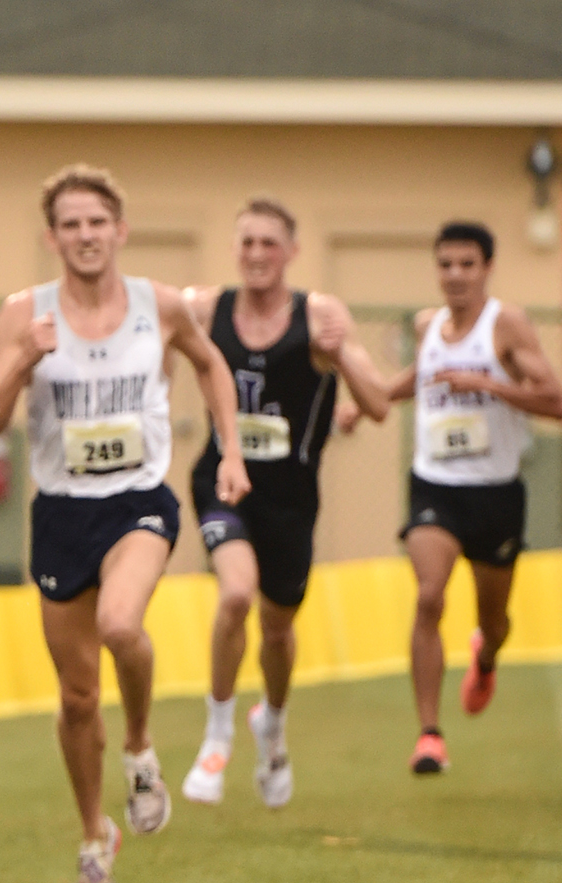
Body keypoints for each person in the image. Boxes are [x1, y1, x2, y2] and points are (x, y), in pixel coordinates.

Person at [0, 164, 249, 883]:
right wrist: (18, 359)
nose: (86, 235)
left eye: (97, 222)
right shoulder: (22, 314)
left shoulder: (158, 305)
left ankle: (137, 748)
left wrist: (229, 450)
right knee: (73, 698)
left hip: (138, 499)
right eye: (70, 224)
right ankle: (95, 836)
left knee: (120, 624)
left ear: (119, 231)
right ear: (52, 237)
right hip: (61, 511)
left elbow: (212, 365)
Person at [175, 198, 390, 809]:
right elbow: (145, 321)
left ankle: (271, 723)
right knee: (236, 593)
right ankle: (217, 736)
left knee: (276, 629)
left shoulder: (318, 312)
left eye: (269, 243)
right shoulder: (205, 307)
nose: (256, 254)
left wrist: (342, 351)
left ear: (292, 252)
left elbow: (376, 405)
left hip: (292, 498)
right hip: (223, 481)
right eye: (247, 243)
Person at [387, 222, 562, 774]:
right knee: (429, 595)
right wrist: (370, 400)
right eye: (446, 264)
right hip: (435, 485)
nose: (455, 275)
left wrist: (487, 385)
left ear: (487, 267)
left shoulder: (506, 324)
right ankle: (429, 735)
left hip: (495, 494)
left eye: (467, 264)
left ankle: (485, 658)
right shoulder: (427, 324)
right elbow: (423, 375)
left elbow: (556, 402)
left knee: (495, 622)